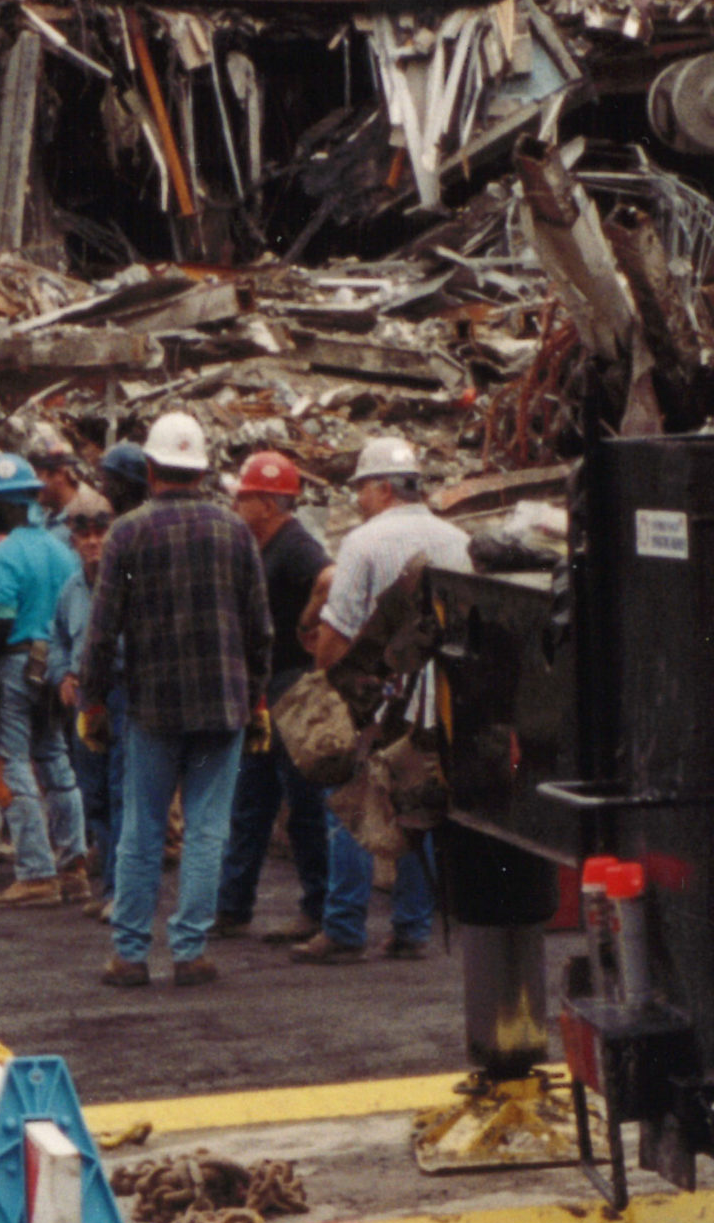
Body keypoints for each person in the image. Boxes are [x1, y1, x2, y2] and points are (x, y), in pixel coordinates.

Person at [79, 413, 271, 989]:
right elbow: (259, 627)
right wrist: (257, 698)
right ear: (204, 468)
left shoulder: (129, 533)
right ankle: (189, 951)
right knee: (208, 830)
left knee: (140, 832)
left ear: (152, 467)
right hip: (224, 705)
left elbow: (103, 628)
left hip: (153, 707)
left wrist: (91, 701)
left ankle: (131, 954)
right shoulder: (234, 531)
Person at [293, 437, 471, 963]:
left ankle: (345, 928)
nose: (359, 500)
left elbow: (338, 626)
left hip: (377, 695)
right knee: (420, 808)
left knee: (351, 805)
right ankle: (412, 929)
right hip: (436, 699)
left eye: (362, 490)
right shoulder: (458, 539)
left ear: (382, 487)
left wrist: (327, 691)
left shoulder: (364, 543)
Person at [0, 452, 87, 908]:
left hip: (14, 665)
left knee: (15, 763)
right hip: (53, 665)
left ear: (2, 505)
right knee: (55, 760)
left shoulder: (3, 555)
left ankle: (35, 873)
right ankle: (73, 866)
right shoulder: (62, 550)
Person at [214, 452, 332, 941]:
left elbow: (329, 579)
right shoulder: (262, 543)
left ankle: (316, 907)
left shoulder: (296, 544)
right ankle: (233, 906)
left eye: (244, 496)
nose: (237, 502)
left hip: (290, 681)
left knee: (299, 798)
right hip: (264, 685)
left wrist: (308, 625)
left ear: (266, 501)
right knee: (252, 797)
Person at [49, 486, 119, 916]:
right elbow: (57, 637)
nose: (92, 540)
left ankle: (120, 892)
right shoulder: (71, 589)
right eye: (83, 533)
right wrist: (62, 674)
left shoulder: (127, 582)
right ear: (72, 539)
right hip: (84, 704)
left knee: (122, 793)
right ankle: (110, 889)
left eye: (100, 531)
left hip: (120, 697)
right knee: (94, 795)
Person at [96, 441, 149, 519]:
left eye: (105, 480)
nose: (101, 491)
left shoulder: (123, 527)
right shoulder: (153, 517)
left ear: (120, 487)